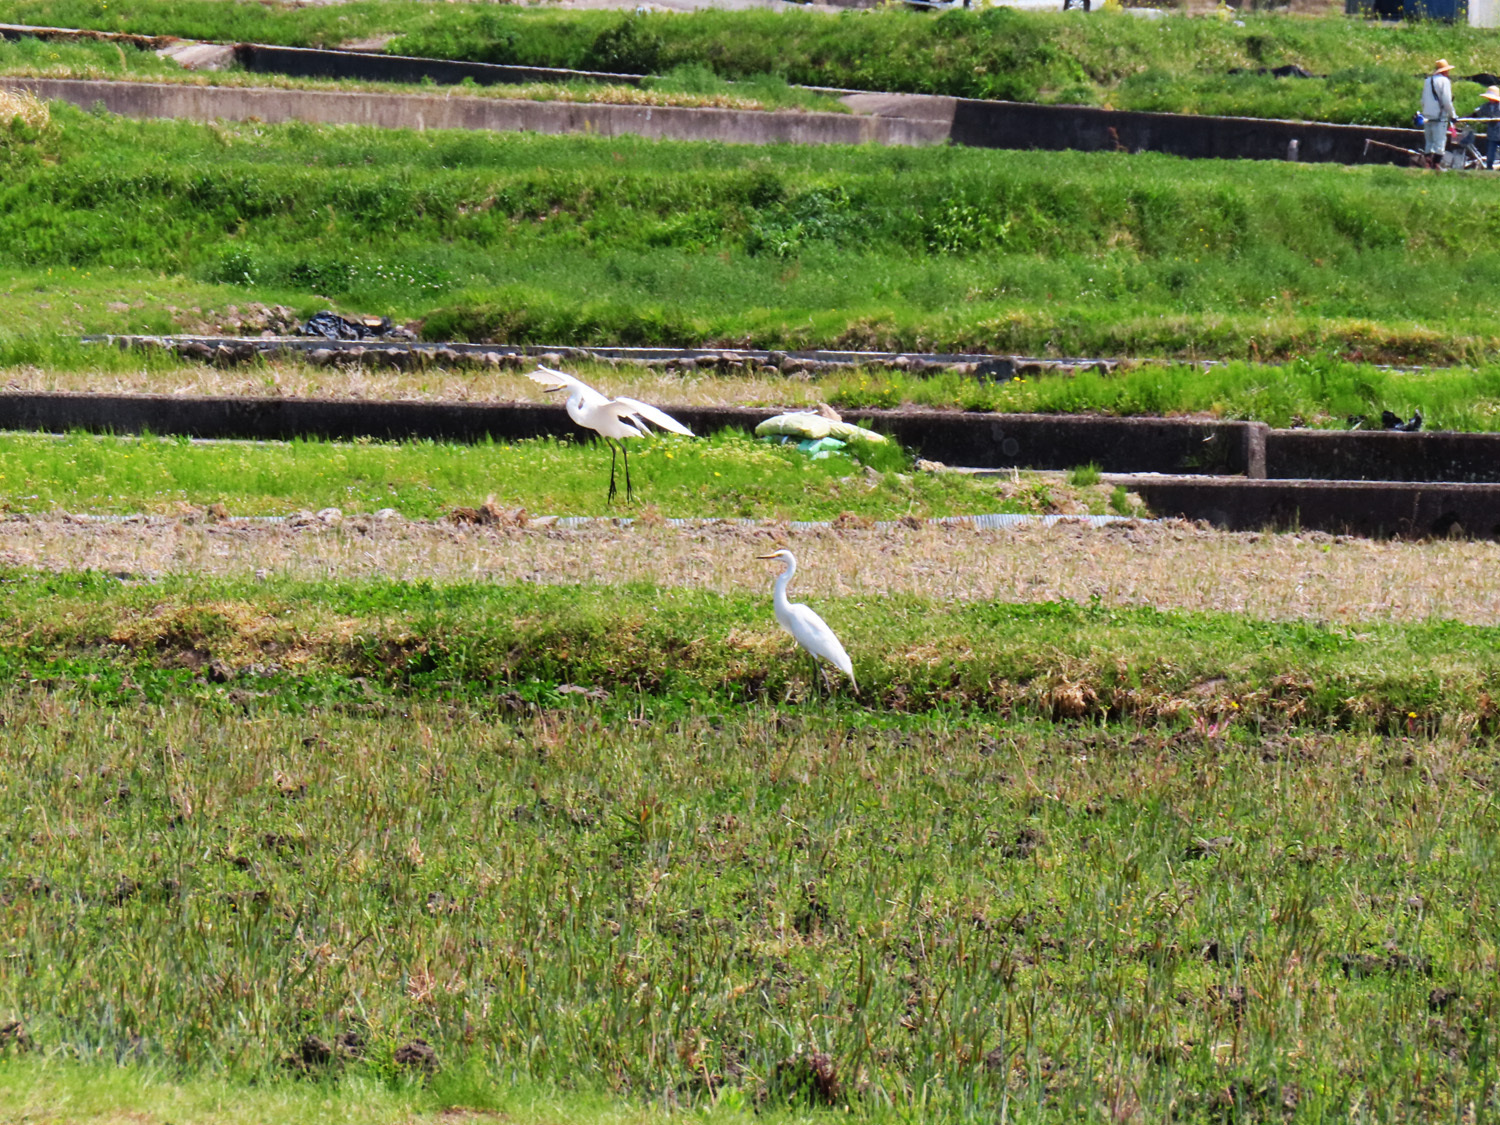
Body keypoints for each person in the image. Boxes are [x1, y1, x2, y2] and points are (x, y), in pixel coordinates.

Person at [1422, 59, 1458, 169]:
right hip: (1439, 116)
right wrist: (1453, 115)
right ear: (1445, 71)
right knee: (1440, 142)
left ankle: (1427, 164)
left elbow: (1423, 100)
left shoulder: (1428, 81)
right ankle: (1436, 165)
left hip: (1427, 115)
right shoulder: (1444, 82)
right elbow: (1447, 101)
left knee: (1429, 141)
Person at [1470, 85, 1500, 169]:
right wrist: (1466, 118)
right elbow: (1476, 114)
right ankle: (1489, 169)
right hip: (1492, 135)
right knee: (1490, 155)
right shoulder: (1485, 106)